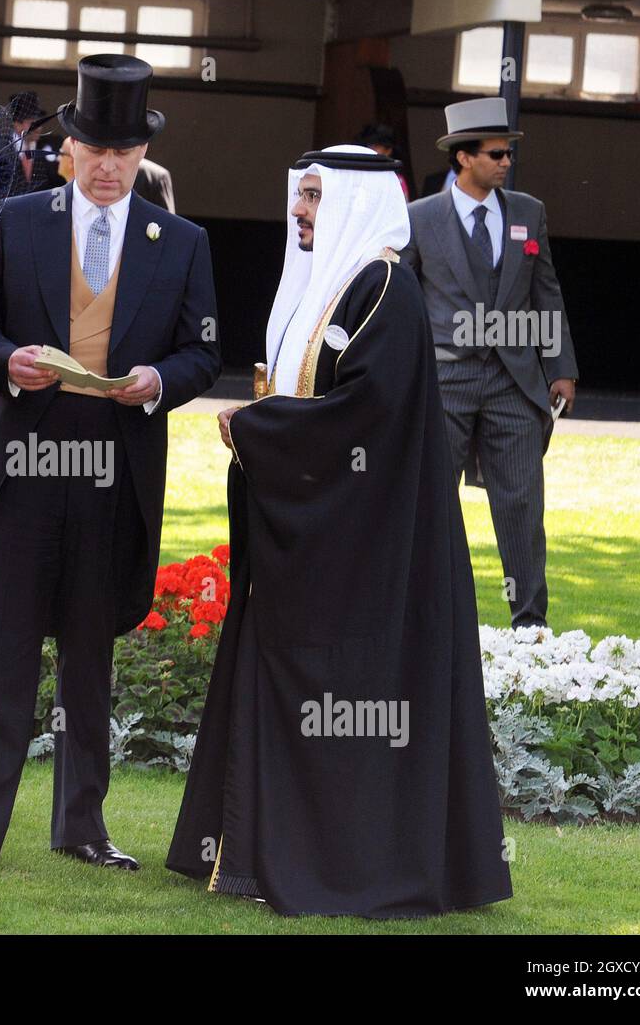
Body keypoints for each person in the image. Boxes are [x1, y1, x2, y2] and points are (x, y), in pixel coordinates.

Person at [167, 145, 513, 918]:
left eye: (316, 198)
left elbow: (367, 418)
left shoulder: (385, 292)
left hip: (368, 552)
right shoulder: (348, 286)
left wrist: (260, 429)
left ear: (355, 203)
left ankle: (335, 863)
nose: (300, 211)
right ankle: (255, 851)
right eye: (301, 195)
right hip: (321, 538)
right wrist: (270, 429)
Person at [0, 55, 221, 874]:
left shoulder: (185, 243)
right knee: (1, 652)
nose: (107, 166)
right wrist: (7, 360)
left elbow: (204, 353)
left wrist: (160, 381)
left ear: (142, 157)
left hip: (114, 476)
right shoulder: (19, 221)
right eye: (94, 149)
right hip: (23, 467)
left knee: (90, 657)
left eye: (123, 153)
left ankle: (82, 826)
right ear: (68, 147)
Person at [399, 97, 579, 629]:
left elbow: (547, 293)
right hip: (444, 377)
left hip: (513, 378)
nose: (506, 162)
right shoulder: (419, 219)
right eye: (496, 153)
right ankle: (425, 616)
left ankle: (530, 623)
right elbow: (402, 300)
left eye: (509, 153)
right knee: (430, 499)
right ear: (462, 157)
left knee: (522, 502)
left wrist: (561, 367)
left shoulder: (529, 212)